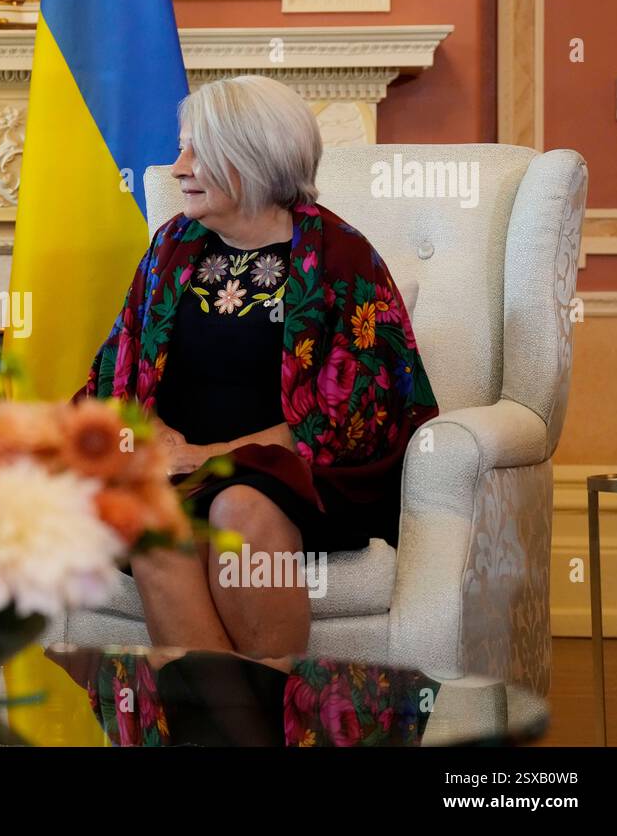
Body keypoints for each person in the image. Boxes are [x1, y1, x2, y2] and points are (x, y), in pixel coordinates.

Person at [81, 75, 439, 661]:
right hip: (180, 474)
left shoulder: (341, 257)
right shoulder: (172, 246)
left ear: (250, 156)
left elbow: (356, 418)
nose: (177, 168)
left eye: (195, 150)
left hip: (305, 476)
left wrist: (218, 454)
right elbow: (115, 372)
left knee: (238, 508)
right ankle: (232, 727)